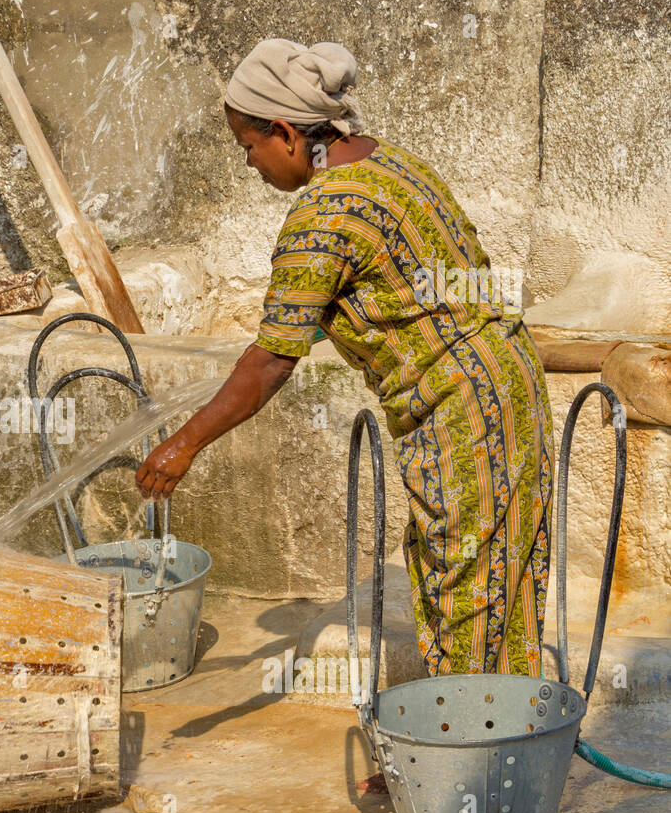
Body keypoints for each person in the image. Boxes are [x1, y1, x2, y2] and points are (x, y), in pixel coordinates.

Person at [136, 39, 554, 696]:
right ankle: (497, 764)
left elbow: (272, 360)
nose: (250, 164)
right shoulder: (397, 167)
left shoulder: (323, 214)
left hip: (459, 414)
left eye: (248, 147)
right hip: (511, 388)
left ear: (284, 132)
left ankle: (460, 774)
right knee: (502, 588)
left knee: (467, 596)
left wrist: (183, 445)